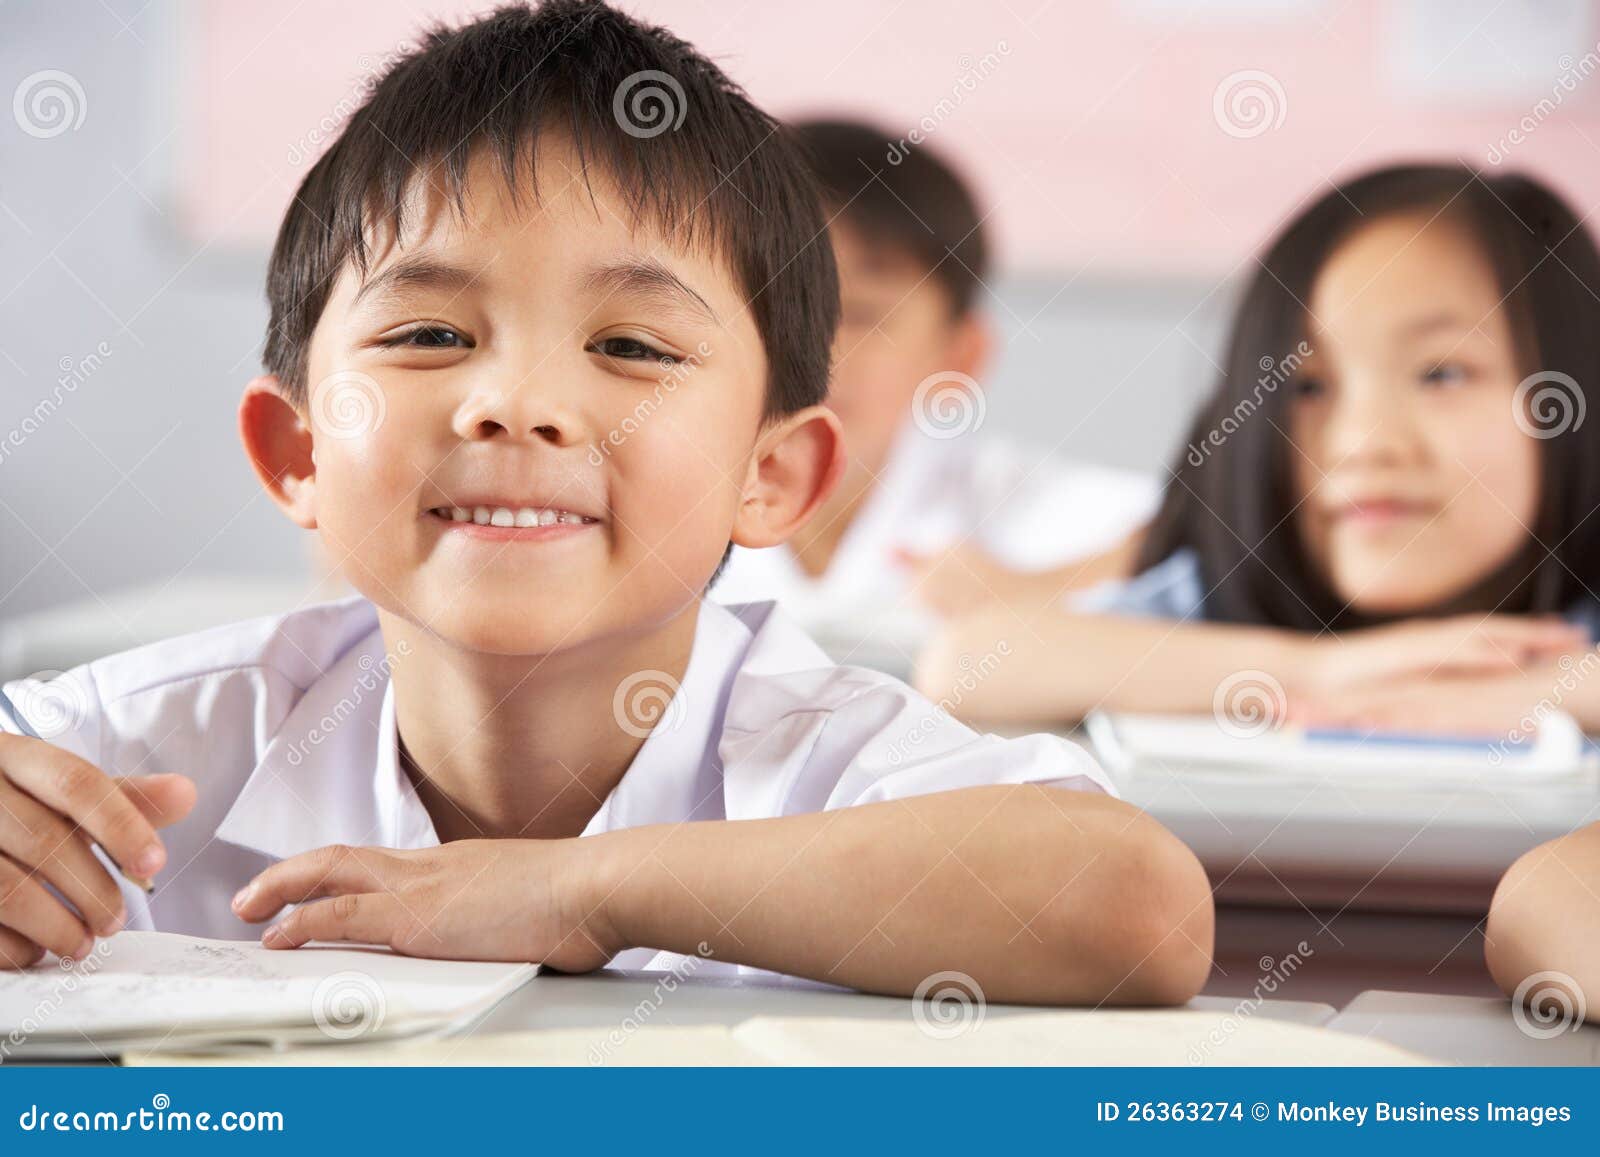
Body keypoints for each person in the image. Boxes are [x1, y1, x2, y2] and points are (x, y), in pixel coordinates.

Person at [0, 1, 1211, 1006]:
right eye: (429, 332)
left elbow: (1135, 905)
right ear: (295, 449)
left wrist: (571, 887)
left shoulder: (820, 757)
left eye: (632, 345)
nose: (519, 404)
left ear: (772, 474)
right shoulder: (131, 758)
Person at [917, 164, 1600, 734]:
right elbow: (965, 664)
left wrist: (1539, 691)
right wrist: (1321, 670)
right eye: (1307, 386)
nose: (1362, 443)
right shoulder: (1219, 606)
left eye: (1441, 373)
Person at [712, 119, 1156, 652]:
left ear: (957, 356)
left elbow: (1215, 533)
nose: (808, 352)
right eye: (773, 307)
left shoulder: (993, 503)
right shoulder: (657, 493)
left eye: (859, 315)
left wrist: (1031, 591)